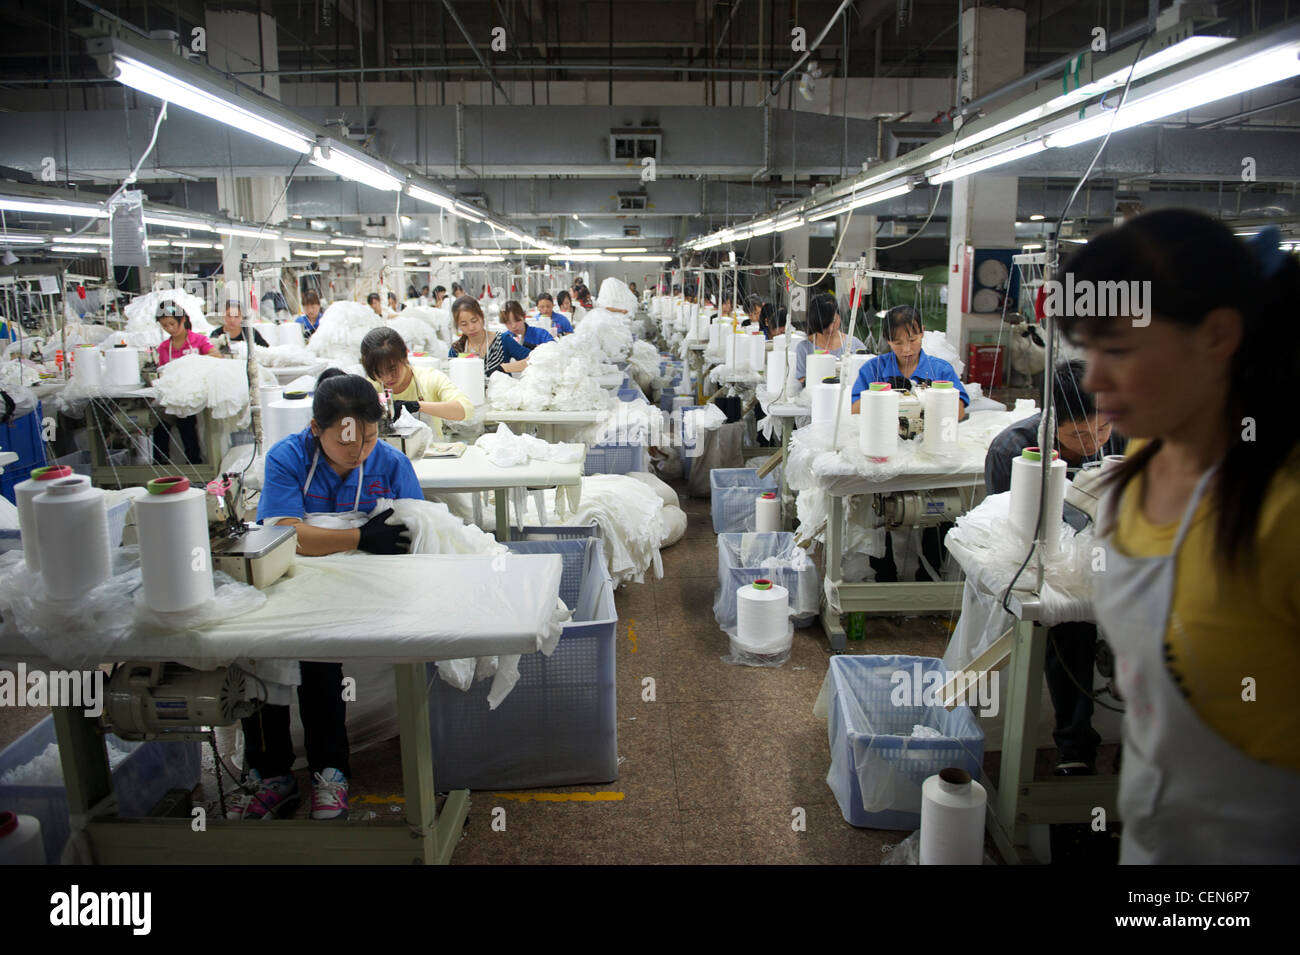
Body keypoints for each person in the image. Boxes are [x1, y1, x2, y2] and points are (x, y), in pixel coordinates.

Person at [1059, 211, 1300, 863]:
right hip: (1153, 841)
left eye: (1118, 349)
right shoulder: (1131, 484)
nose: (1092, 379)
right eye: (1087, 349)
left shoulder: (1282, 512)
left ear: (1218, 334)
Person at [241, 369, 421, 822]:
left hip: (367, 588)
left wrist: (329, 537)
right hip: (296, 581)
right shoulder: (287, 458)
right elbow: (281, 534)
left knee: (322, 664)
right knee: (259, 653)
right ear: (315, 429)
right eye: (345, 443)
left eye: (369, 438)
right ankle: (272, 775)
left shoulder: (391, 463)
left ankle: (331, 771)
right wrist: (359, 537)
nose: (359, 453)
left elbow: (419, 527)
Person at [983, 359, 1128, 777]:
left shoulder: (1119, 435)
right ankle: (1075, 746)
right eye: (1079, 434)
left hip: (1110, 557)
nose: (1095, 442)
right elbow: (1010, 539)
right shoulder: (1014, 450)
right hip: (1045, 568)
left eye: (1101, 430)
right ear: (1051, 420)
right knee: (1069, 625)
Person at [850, 304, 969, 419]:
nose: (906, 349)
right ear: (887, 340)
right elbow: (855, 410)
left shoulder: (941, 370)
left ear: (922, 332)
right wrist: (885, 394)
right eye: (898, 343)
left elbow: (959, 412)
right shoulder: (873, 369)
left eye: (912, 340)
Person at [360, 327, 473, 437]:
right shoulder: (370, 388)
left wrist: (416, 406)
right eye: (379, 372)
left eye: (393, 369)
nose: (387, 377)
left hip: (430, 453)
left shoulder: (430, 378)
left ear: (405, 355)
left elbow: (465, 410)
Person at [153, 301, 212, 464]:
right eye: (165, 326)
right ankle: (159, 465)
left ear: (183, 319)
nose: (169, 328)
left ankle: (194, 463)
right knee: (159, 425)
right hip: (174, 395)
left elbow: (216, 356)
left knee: (186, 422)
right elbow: (162, 372)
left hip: (196, 394)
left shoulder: (199, 340)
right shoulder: (164, 347)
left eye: (172, 323)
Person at [793, 292, 867, 386]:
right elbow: (801, 380)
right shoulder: (804, 348)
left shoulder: (854, 344)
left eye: (834, 321)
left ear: (839, 316)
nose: (831, 328)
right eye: (825, 325)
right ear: (815, 322)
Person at [447, 295, 529, 376]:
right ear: (458, 325)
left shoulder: (503, 340)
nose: (471, 327)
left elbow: (535, 360)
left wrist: (504, 368)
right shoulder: (456, 350)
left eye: (474, 321)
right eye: (464, 324)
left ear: (482, 316)